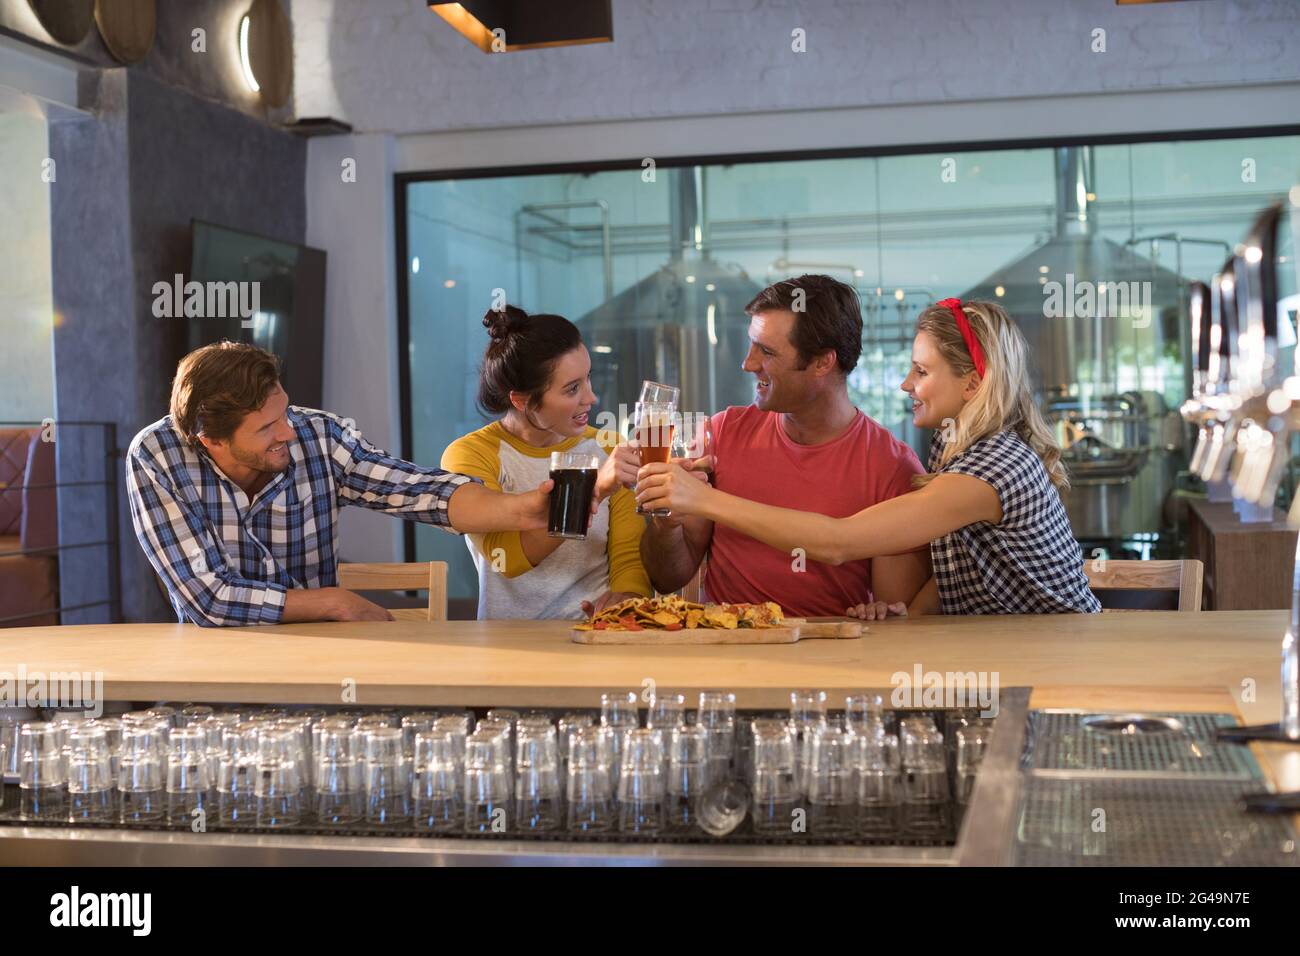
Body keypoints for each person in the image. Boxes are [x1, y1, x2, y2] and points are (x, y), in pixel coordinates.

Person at [636, 298, 1102, 616]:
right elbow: (973, 571)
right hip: (1016, 649)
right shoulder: (963, 453)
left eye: (921, 371)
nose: (905, 384)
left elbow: (839, 541)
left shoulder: (991, 469)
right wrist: (901, 616)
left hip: (1056, 651)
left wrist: (704, 499)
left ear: (973, 384)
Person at [127, 341, 564, 626]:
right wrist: (333, 602)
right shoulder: (157, 456)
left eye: (285, 412)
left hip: (322, 664)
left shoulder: (320, 435)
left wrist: (521, 509)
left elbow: (417, 490)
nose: (288, 432)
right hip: (214, 674)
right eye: (267, 428)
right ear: (211, 440)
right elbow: (209, 597)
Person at [638, 275, 932, 620]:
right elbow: (668, 575)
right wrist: (666, 527)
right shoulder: (720, 434)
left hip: (832, 657)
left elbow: (895, 614)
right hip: (726, 652)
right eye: (752, 345)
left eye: (767, 351)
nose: (748, 363)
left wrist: (882, 612)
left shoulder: (892, 467)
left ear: (823, 362)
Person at [442, 306, 650, 619]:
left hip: (594, 637)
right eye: (572, 388)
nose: (591, 399)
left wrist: (627, 601)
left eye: (588, 379)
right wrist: (594, 491)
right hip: (507, 648)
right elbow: (506, 559)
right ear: (522, 400)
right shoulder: (471, 455)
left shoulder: (609, 447)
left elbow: (630, 557)